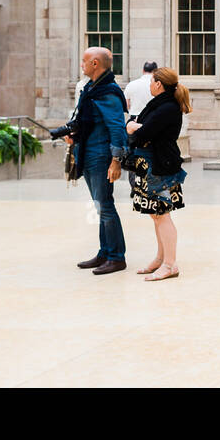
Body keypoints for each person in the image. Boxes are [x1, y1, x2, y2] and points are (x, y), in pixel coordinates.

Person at [66, 47, 129, 275]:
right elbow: (89, 121)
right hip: (89, 153)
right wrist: (74, 135)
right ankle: (105, 252)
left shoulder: (108, 91)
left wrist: (116, 160)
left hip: (101, 156)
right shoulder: (92, 89)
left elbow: (116, 127)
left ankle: (116, 257)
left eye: (84, 61)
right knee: (100, 206)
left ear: (95, 63)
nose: (81, 65)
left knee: (105, 206)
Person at [126, 67, 189, 282]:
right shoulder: (159, 105)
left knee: (162, 214)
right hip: (152, 163)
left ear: (159, 84)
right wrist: (136, 126)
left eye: (152, 81)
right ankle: (161, 258)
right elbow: (143, 129)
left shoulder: (167, 108)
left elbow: (144, 132)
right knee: (156, 215)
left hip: (160, 165)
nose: (150, 85)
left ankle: (170, 263)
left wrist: (134, 126)